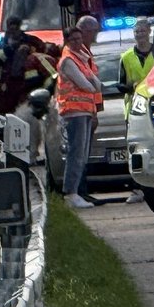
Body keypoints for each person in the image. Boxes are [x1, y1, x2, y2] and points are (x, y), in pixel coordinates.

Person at [55, 16, 104, 208]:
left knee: (82, 154)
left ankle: (75, 192)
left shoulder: (80, 58)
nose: (77, 42)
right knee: (76, 153)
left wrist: (92, 86)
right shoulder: (67, 60)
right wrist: (91, 86)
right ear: (67, 41)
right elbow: (88, 85)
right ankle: (71, 193)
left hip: (84, 111)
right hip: (73, 111)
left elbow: (96, 84)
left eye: (79, 38)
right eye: (73, 39)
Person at [0, 15, 58, 116]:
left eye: (15, 26)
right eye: (10, 26)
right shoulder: (2, 43)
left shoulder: (31, 41)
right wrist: (10, 49)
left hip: (28, 90)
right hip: (7, 90)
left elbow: (47, 54)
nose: (13, 29)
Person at [119, 17, 154, 94]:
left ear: (149, 31)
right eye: (136, 32)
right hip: (134, 101)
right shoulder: (126, 57)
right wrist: (132, 87)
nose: (140, 34)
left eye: (143, 31)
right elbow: (121, 84)